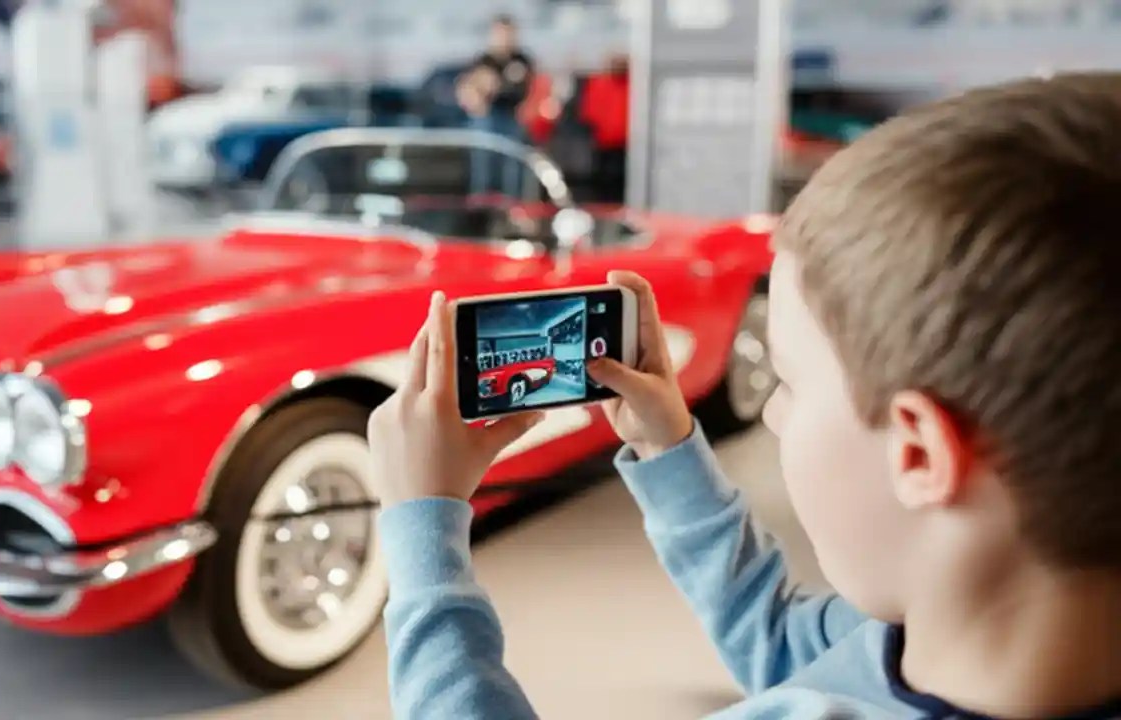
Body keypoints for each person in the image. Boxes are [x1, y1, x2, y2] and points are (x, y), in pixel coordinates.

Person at [366, 72, 1121, 718]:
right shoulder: (919, 641)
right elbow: (786, 647)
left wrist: (421, 534)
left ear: (919, 451)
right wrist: (668, 452)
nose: (772, 411)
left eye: (789, 382)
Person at [458, 14, 535, 193]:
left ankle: (512, 208)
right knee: (483, 165)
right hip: (490, 117)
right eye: (500, 33)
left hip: (514, 117)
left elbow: (531, 89)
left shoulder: (522, 59)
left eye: (508, 33)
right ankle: (482, 206)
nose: (505, 38)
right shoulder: (484, 60)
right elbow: (471, 90)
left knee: (513, 168)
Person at [580, 52, 631, 203]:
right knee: (604, 183)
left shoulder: (633, 84)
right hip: (604, 144)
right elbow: (589, 112)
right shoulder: (599, 83)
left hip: (626, 145)